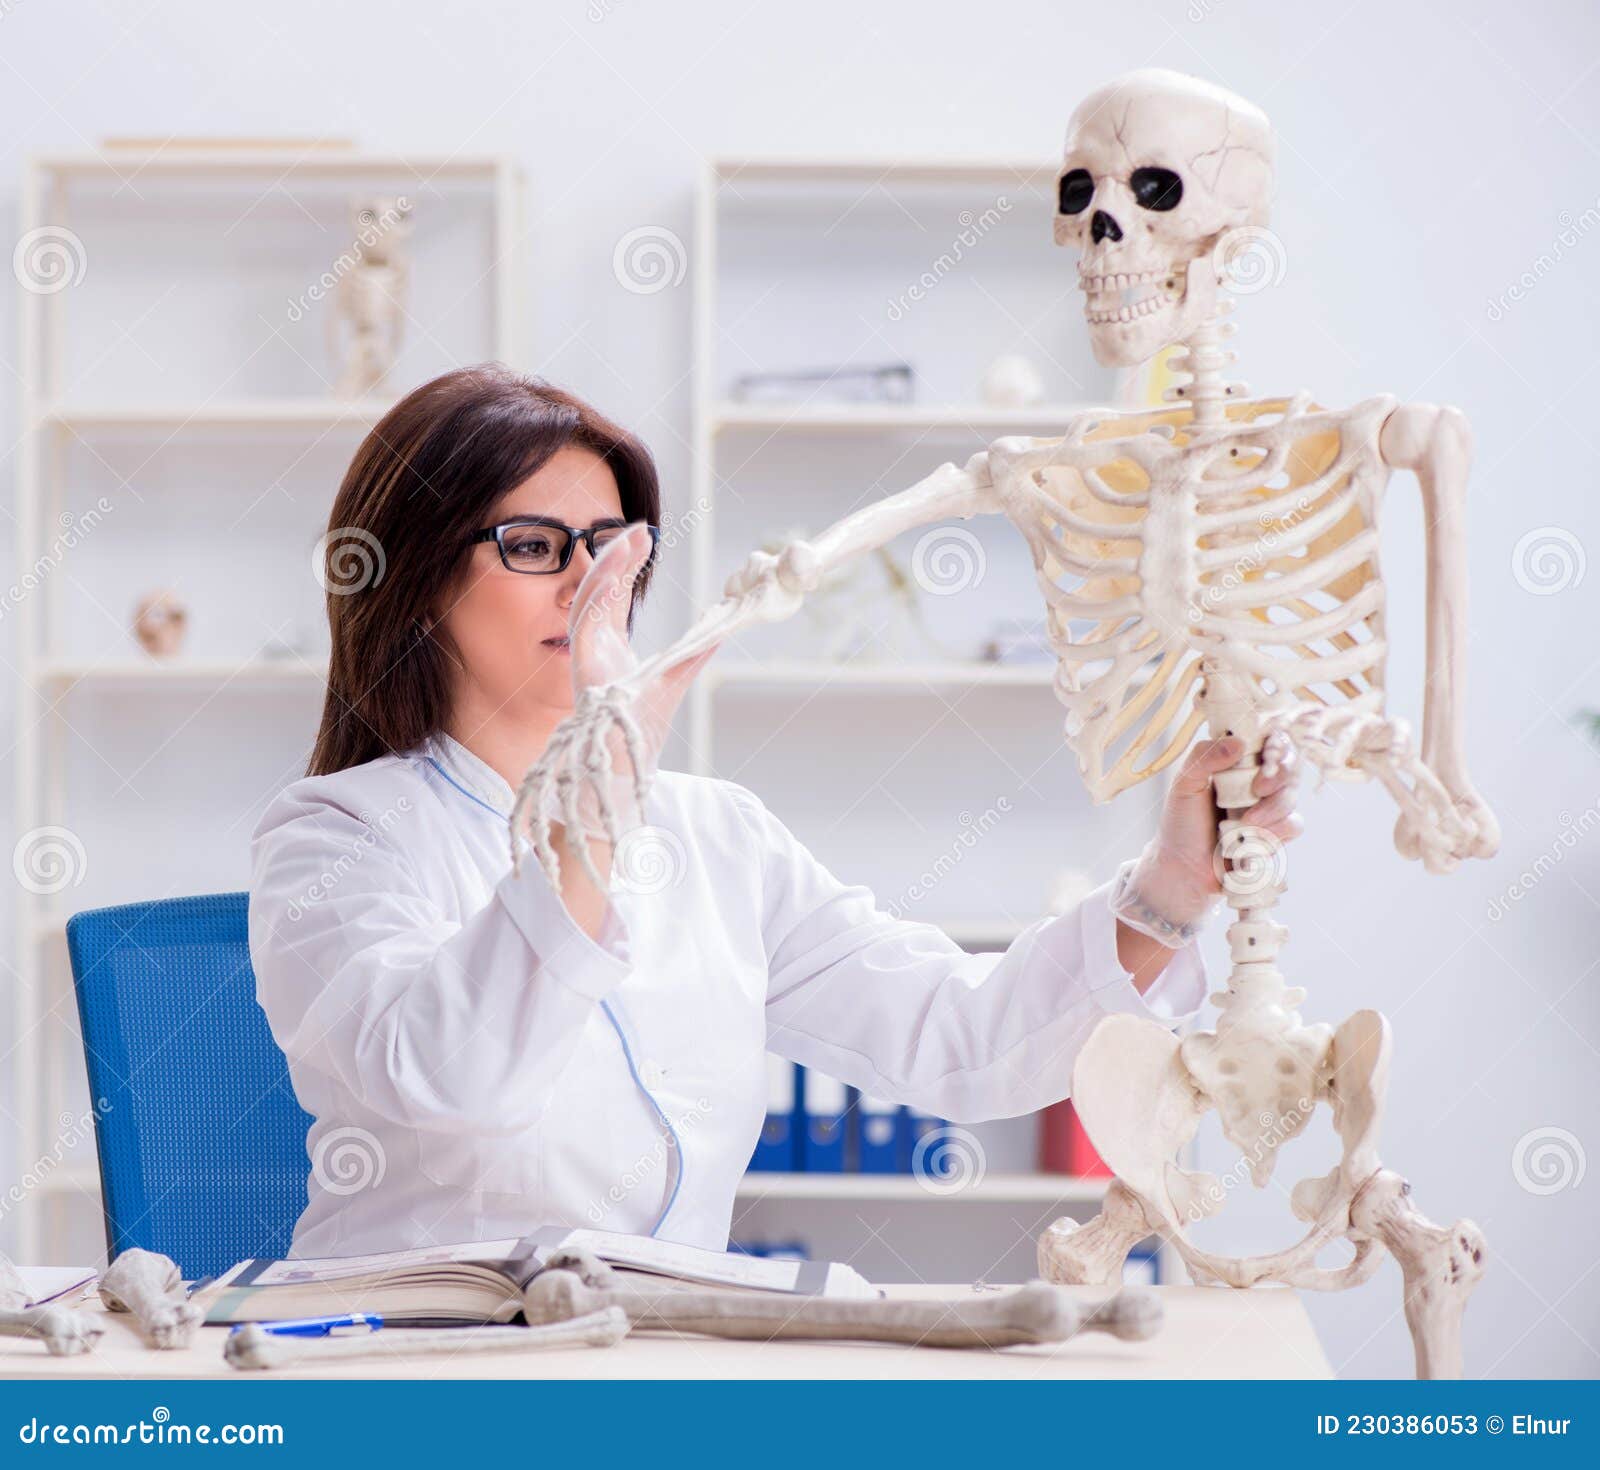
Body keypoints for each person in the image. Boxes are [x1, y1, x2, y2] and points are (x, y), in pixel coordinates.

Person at [249, 362, 1300, 1258]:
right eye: (535, 546)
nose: (587, 586)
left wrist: (1172, 890)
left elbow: (963, 1041)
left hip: (651, 1369)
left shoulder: (717, 838)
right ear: (420, 576)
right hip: (415, 1376)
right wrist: (595, 810)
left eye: (611, 549)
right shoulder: (333, 839)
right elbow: (454, 1083)